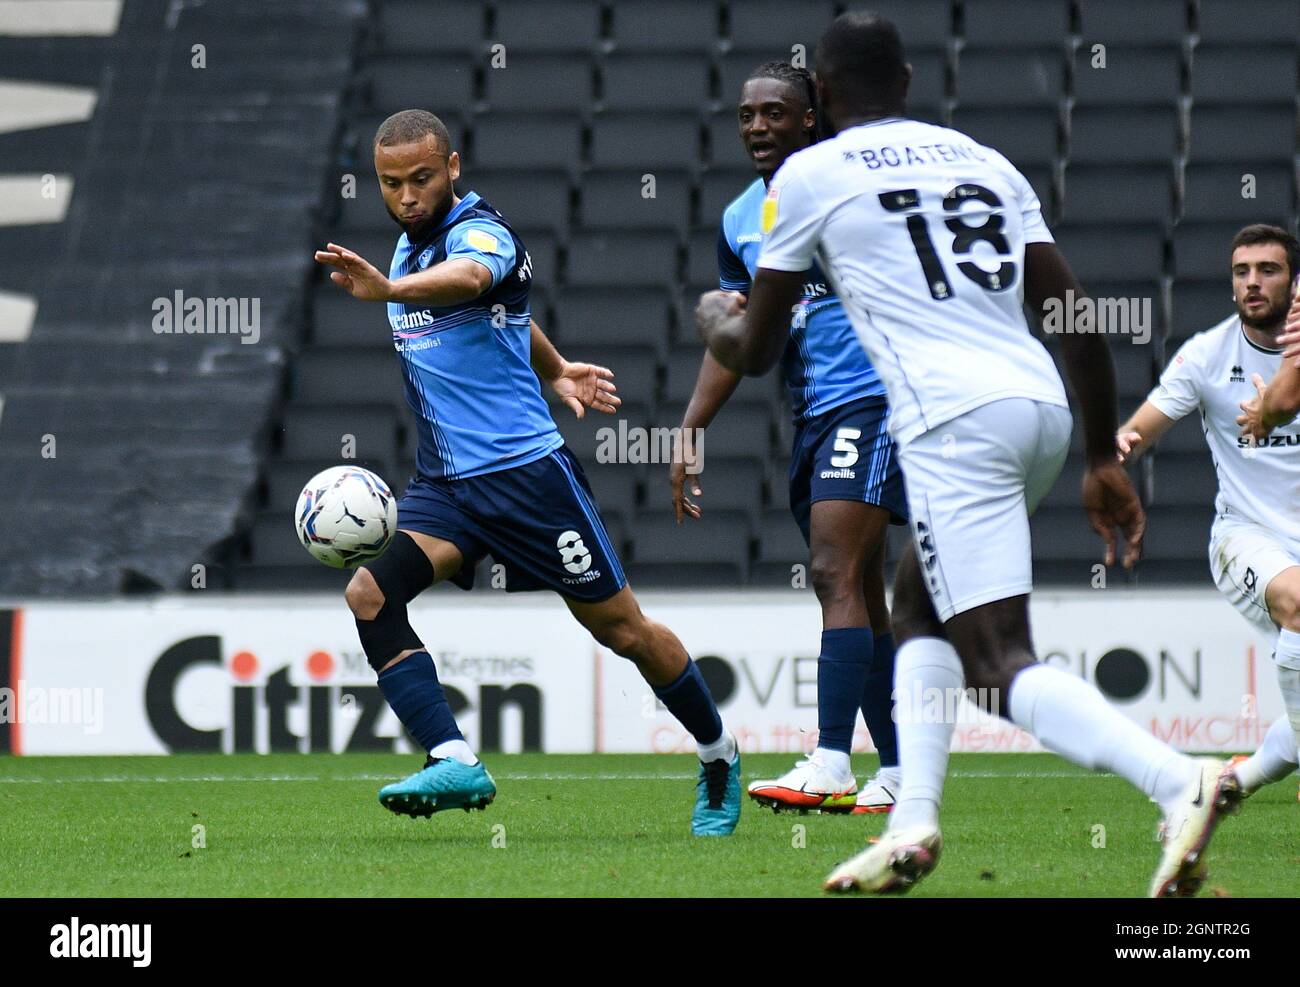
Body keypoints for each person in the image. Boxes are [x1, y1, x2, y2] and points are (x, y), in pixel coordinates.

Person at [695, 12, 1243, 896]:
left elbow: (756, 350)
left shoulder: (810, 174)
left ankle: (1179, 780)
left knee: (994, 664)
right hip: (1038, 407)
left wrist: (714, 324)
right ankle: (912, 823)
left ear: (821, 97)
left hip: (952, 427)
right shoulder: (983, 161)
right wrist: (1101, 455)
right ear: (908, 81)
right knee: (914, 608)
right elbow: (1074, 313)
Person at [315, 109, 742, 836]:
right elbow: (503, 307)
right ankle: (454, 758)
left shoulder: (481, 232)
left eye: (422, 177)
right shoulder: (406, 248)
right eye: (392, 184)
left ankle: (718, 753)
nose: (408, 195)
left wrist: (387, 293)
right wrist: (557, 368)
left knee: (625, 630)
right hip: (445, 486)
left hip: (526, 479)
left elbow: (477, 277)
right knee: (368, 594)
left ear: (452, 167)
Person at [671, 60, 905, 814]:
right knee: (861, 589)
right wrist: (691, 426)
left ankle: (833, 758)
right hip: (813, 414)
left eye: (775, 112)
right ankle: (899, 775)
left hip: (874, 404)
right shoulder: (743, 216)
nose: (759, 126)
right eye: (747, 115)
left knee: (832, 571)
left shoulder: (853, 186)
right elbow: (739, 334)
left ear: (812, 116)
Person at [1132, 224, 1300, 795]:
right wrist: (1112, 462)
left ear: (1293, 281)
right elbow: (1136, 433)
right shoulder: (1207, 354)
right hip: (1246, 537)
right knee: (1299, 599)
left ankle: (1229, 785)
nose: (1253, 283)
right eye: (1241, 271)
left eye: (1268, 270)